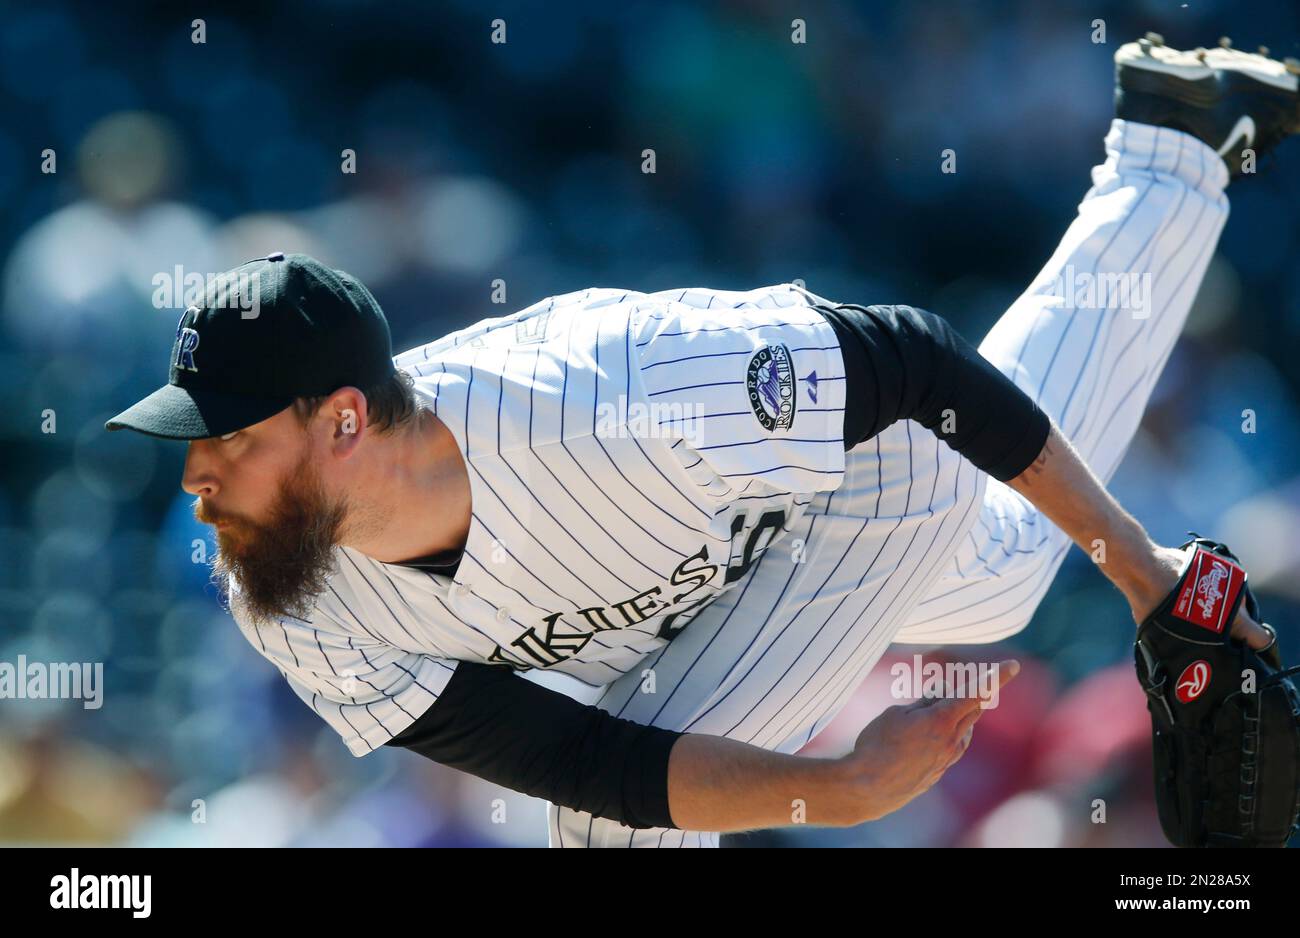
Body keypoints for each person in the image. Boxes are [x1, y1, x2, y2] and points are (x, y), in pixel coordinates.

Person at [106, 35, 1297, 847]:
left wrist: (1144, 576)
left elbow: (917, 362)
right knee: (997, 575)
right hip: (735, 580)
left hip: (864, 470)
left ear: (347, 420)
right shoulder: (289, 599)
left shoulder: (596, 391)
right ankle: (1171, 146)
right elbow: (585, 760)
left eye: (230, 442)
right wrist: (825, 787)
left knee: (617, 838)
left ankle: (1166, 156)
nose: (198, 476)